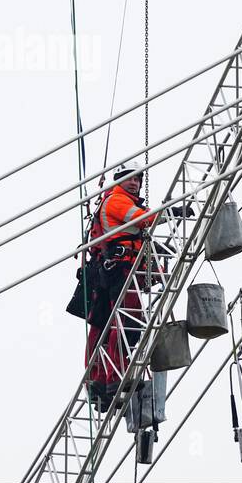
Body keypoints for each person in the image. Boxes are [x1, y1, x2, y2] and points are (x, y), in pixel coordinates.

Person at [84, 165, 160, 408]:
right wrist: (170, 210)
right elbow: (145, 219)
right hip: (120, 268)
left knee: (104, 326)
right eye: (130, 179)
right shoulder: (117, 200)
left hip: (109, 270)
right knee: (127, 319)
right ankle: (115, 374)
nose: (135, 183)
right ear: (118, 181)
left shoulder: (118, 201)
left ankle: (101, 381)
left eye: (138, 180)